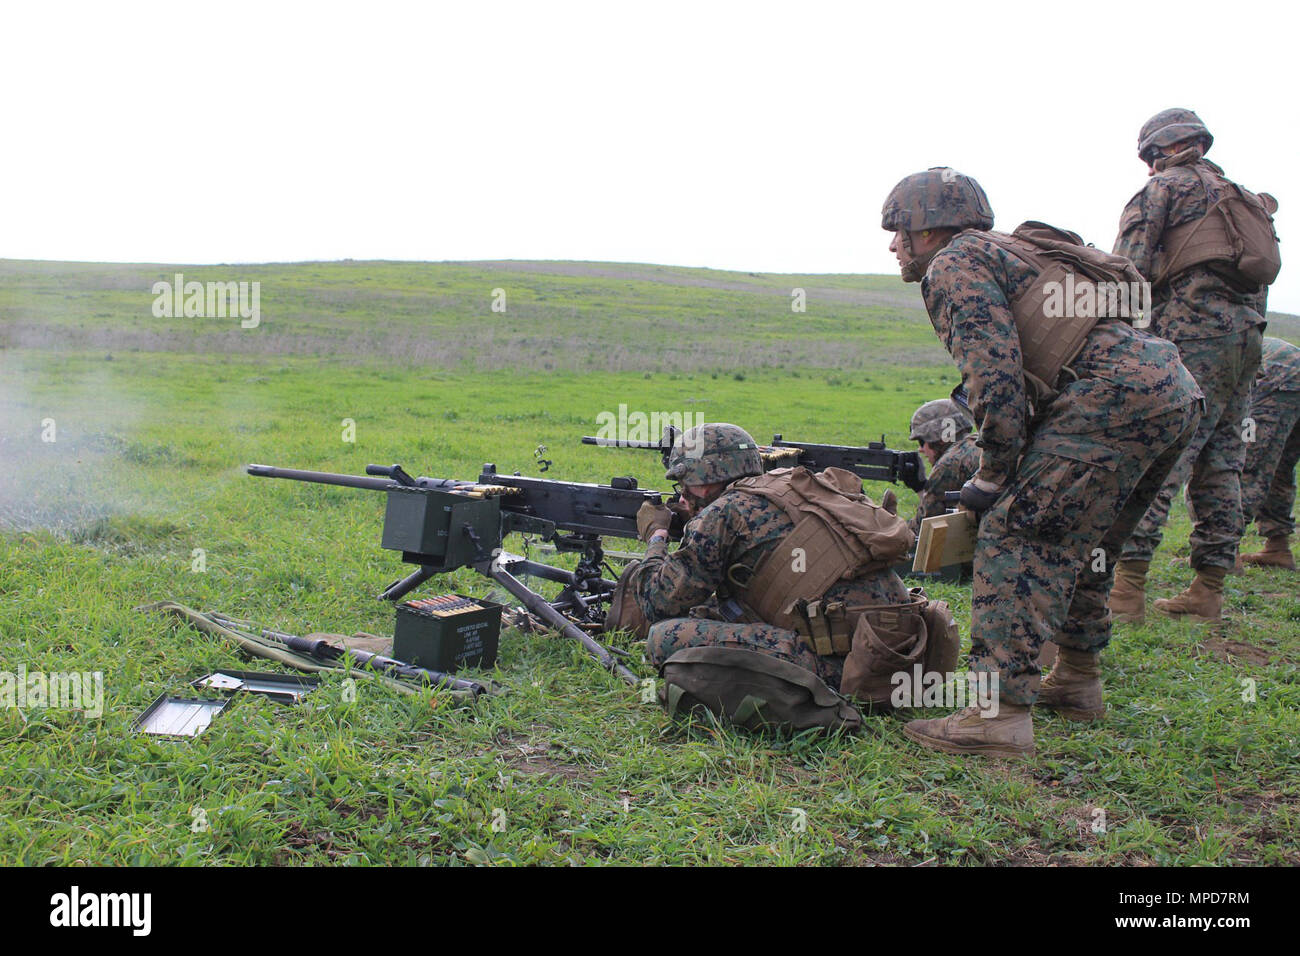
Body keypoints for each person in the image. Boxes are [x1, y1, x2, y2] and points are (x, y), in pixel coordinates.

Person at [880, 167, 1202, 756]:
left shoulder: (954, 264)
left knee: (1018, 534)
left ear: (927, 230)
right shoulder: (1021, 251)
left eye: (897, 230)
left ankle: (996, 717)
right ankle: (1077, 681)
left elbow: (994, 376)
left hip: (1108, 400)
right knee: (1089, 539)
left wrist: (993, 474)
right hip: (1172, 390)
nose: (892, 244)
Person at [625, 422, 950, 730]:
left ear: (708, 476)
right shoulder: (792, 485)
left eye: (686, 484)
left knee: (663, 638)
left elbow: (659, 602)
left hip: (854, 667)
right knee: (710, 613)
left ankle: (822, 685)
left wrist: (657, 535)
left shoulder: (723, 513)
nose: (683, 494)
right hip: (904, 650)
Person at [1108, 109, 1271, 623]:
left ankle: (1126, 591)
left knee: (1160, 455)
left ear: (1154, 154)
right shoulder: (1238, 198)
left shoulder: (1162, 192)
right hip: (1245, 340)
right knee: (1222, 461)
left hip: (1190, 338)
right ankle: (1208, 589)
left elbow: (1125, 273)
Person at [1239, 337, 1300, 569]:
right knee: (1280, 465)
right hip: (1287, 377)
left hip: (1276, 380)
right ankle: (1278, 548)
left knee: (1246, 463)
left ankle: (1223, 553)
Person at [907, 398, 980, 538]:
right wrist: (922, 487)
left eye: (922, 442)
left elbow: (923, 529)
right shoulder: (977, 444)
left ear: (938, 438)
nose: (921, 449)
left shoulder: (950, 463)